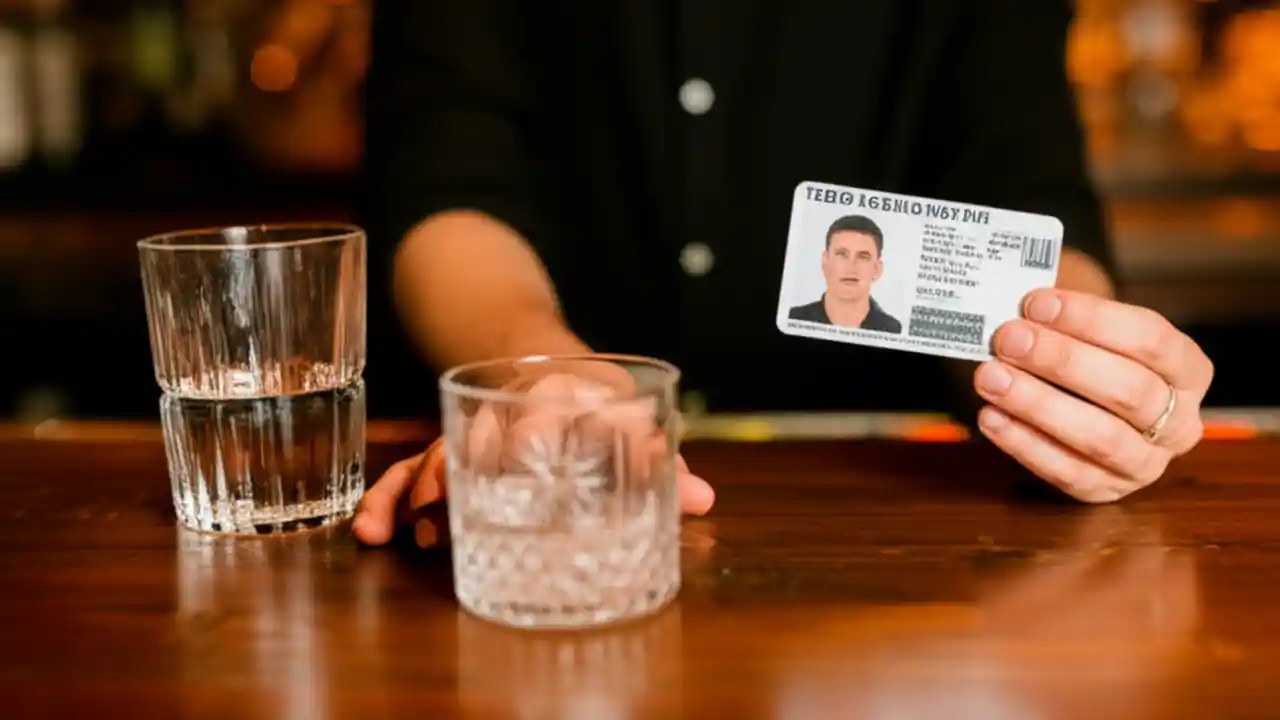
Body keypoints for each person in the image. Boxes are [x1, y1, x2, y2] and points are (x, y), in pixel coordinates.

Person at [351, 2, 1214, 546]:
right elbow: (447, 178)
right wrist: (540, 379)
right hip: (556, 496)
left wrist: (1075, 377)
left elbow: (1025, 188)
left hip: (889, 549)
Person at [788, 214, 902, 333]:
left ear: (877, 269)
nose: (851, 267)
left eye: (863, 257)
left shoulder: (893, 330)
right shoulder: (792, 319)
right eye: (842, 255)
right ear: (825, 262)